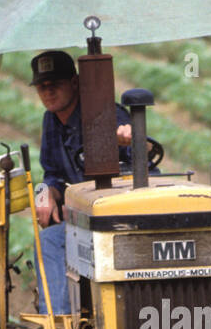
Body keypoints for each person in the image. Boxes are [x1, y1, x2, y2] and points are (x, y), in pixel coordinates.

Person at [30, 50, 134, 314]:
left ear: (75, 83)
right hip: (84, 219)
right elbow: (51, 173)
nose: (48, 92)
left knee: (52, 241)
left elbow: (140, 161)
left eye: (55, 85)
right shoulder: (51, 120)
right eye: (42, 87)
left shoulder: (107, 115)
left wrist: (128, 140)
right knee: (49, 239)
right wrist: (44, 193)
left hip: (122, 218)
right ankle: (59, 327)